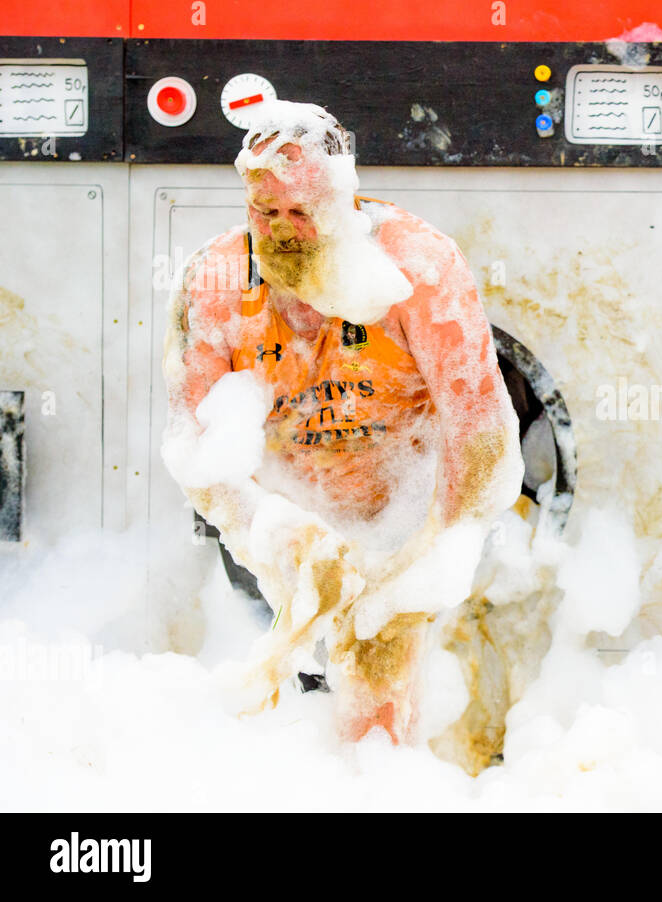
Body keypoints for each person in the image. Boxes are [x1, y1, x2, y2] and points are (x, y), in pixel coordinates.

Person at [164, 101, 523, 744]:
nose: (280, 231)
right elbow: (194, 445)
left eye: (299, 212)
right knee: (273, 716)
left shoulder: (419, 266)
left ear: (342, 202)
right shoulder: (214, 279)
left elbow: (483, 435)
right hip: (288, 512)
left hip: (407, 514)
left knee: (378, 693)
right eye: (264, 212)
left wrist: (426, 559)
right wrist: (273, 536)